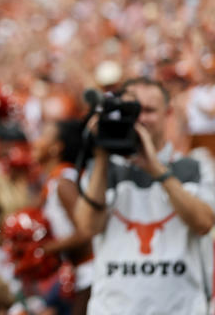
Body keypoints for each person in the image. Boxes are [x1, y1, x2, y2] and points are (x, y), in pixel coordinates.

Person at [74, 77, 215, 315]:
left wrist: (156, 169)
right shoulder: (105, 169)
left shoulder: (194, 166)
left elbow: (204, 223)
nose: (139, 118)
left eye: (148, 110)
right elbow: (88, 227)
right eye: (131, 110)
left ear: (168, 113)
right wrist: (100, 155)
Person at [33, 119, 92, 315]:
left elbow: (86, 232)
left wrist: (43, 249)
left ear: (56, 148)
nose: (37, 141)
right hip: (78, 272)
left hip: (91, 272)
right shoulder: (57, 180)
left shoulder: (64, 182)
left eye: (44, 136)